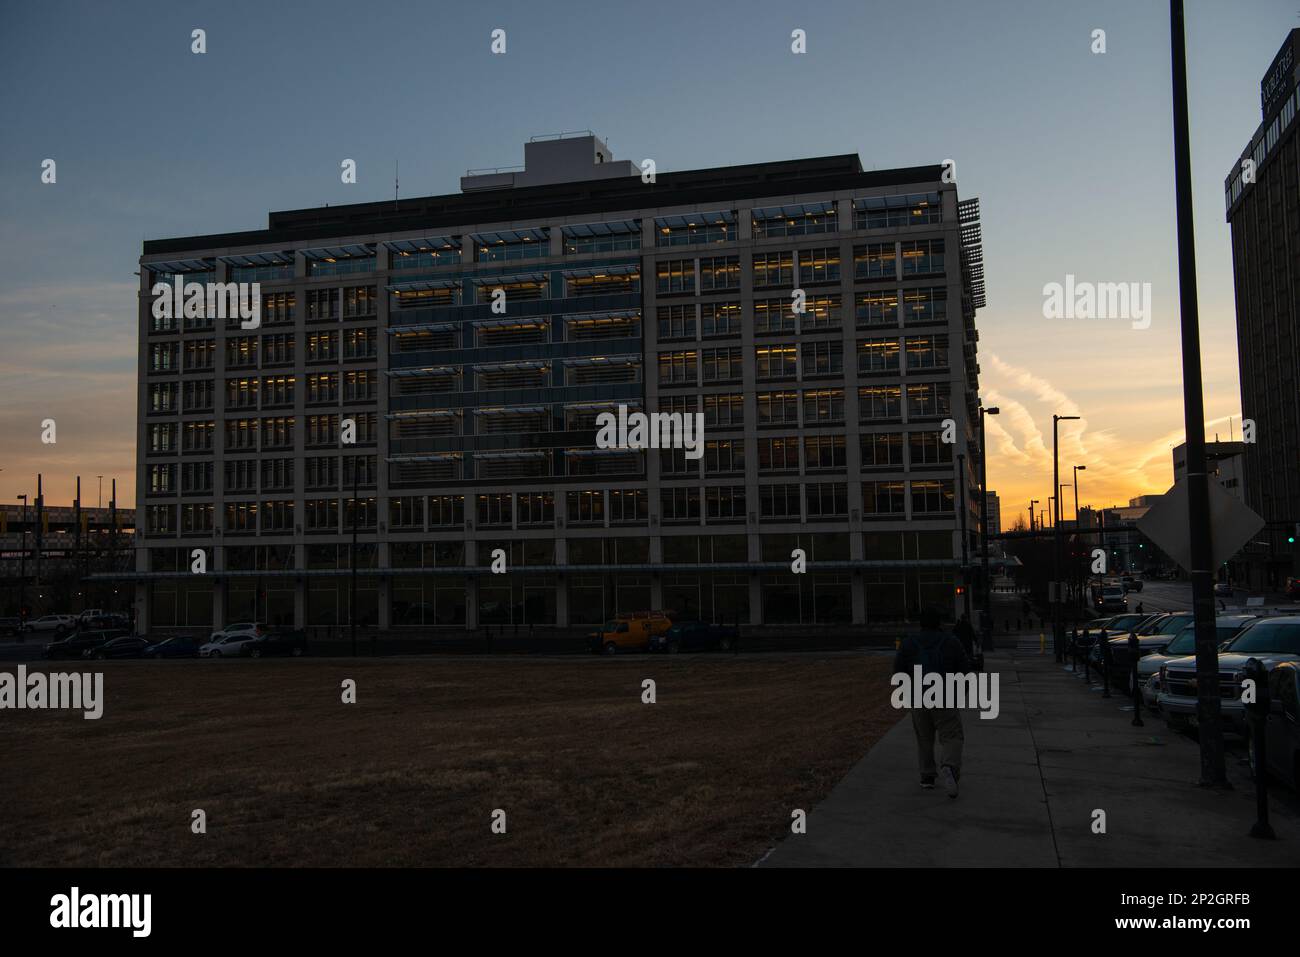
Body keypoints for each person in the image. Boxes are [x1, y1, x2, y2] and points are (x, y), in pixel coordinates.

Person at [893, 607, 971, 797]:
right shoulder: (951, 642)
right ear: (939, 623)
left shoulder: (909, 643)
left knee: (924, 739)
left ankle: (927, 776)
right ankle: (950, 767)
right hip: (944, 696)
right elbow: (964, 669)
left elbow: (898, 671)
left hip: (919, 697)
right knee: (952, 736)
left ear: (921, 624)